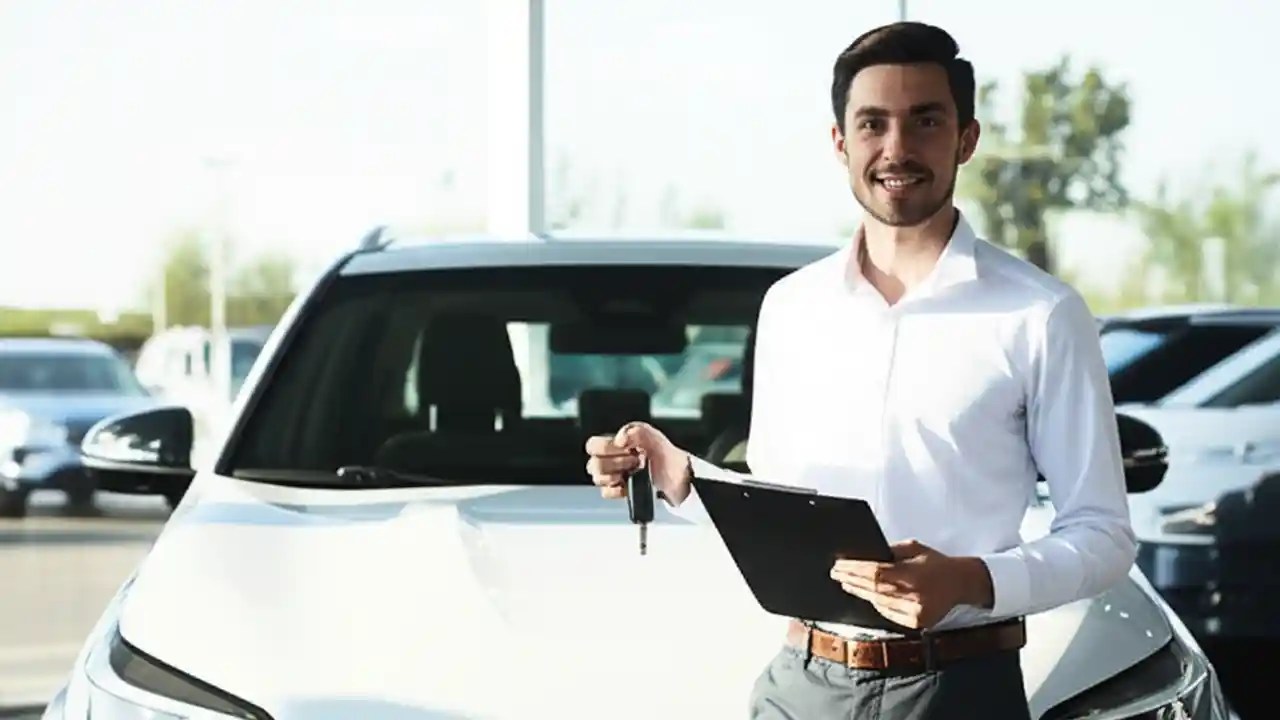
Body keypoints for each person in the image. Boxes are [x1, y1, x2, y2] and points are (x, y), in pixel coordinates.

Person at [584, 20, 1136, 720]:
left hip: (958, 691)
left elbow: (1104, 536)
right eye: (872, 123)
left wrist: (971, 580)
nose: (897, 148)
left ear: (966, 138)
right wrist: (679, 478)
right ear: (840, 142)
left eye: (925, 121)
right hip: (800, 685)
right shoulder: (791, 307)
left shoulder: (1042, 315)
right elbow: (783, 513)